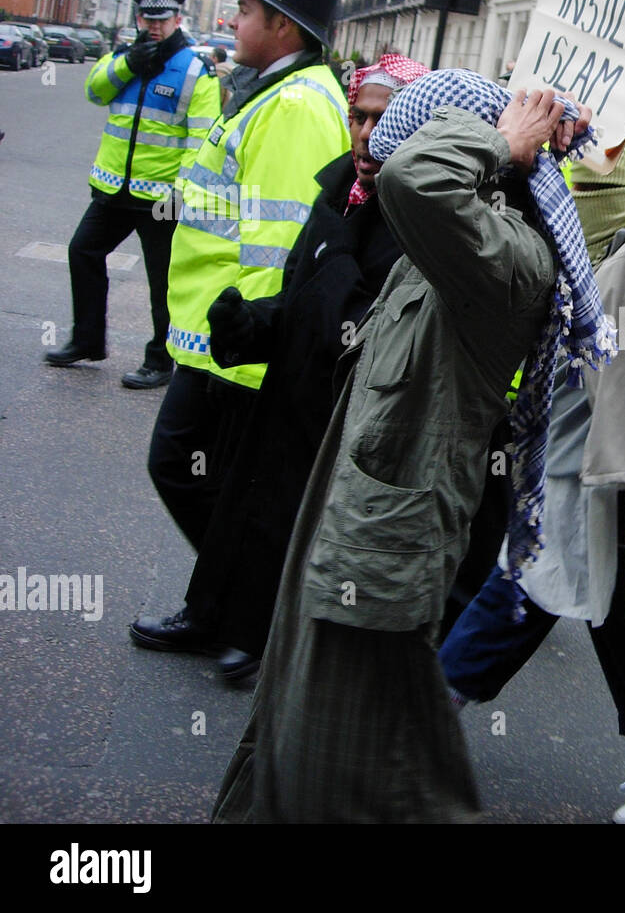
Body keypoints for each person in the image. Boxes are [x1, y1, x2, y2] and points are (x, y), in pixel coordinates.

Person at [212, 74, 606, 822]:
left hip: (380, 565)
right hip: (348, 543)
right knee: (312, 749)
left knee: (358, 779)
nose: (375, 144)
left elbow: (415, 177)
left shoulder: (510, 259)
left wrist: (507, 141)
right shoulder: (454, 246)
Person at [433, 41, 625, 824]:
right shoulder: (550, 246)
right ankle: (417, 730)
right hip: (557, 478)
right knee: (515, 597)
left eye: (600, 159)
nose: (583, 169)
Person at [127, 54, 430, 682]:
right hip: (286, 389)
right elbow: (300, 299)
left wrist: (340, 251)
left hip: (342, 410)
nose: (367, 135)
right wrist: (249, 325)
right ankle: (208, 613)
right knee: (242, 495)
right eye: (359, 116)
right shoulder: (335, 192)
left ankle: (259, 634)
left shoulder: (416, 216)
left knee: (290, 516)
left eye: (385, 119)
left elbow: (359, 326)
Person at [138, 0, 351, 588]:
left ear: (283, 25)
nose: (232, 20)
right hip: (218, 336)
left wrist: (251, 361)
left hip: (233, 348)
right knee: (215, 480)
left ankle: (250, 608)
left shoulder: (294, 106)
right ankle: (227, 609)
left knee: (183, 465)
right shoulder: (274, 91)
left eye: (247, 9)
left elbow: (279, 243)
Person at [46, 0, 220, 388]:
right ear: (139, 19)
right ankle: (87, 340)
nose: (154, 27)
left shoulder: (196, 69)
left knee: (163, 279)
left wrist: (181, 191)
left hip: (160, 197)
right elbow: (94, 92)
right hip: (113, 188)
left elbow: (201, 137)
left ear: (178, 20)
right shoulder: (125, 56)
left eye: (162, 20)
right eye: (147, 20)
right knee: (83, 250)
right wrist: (127, 65)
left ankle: (160, 361)